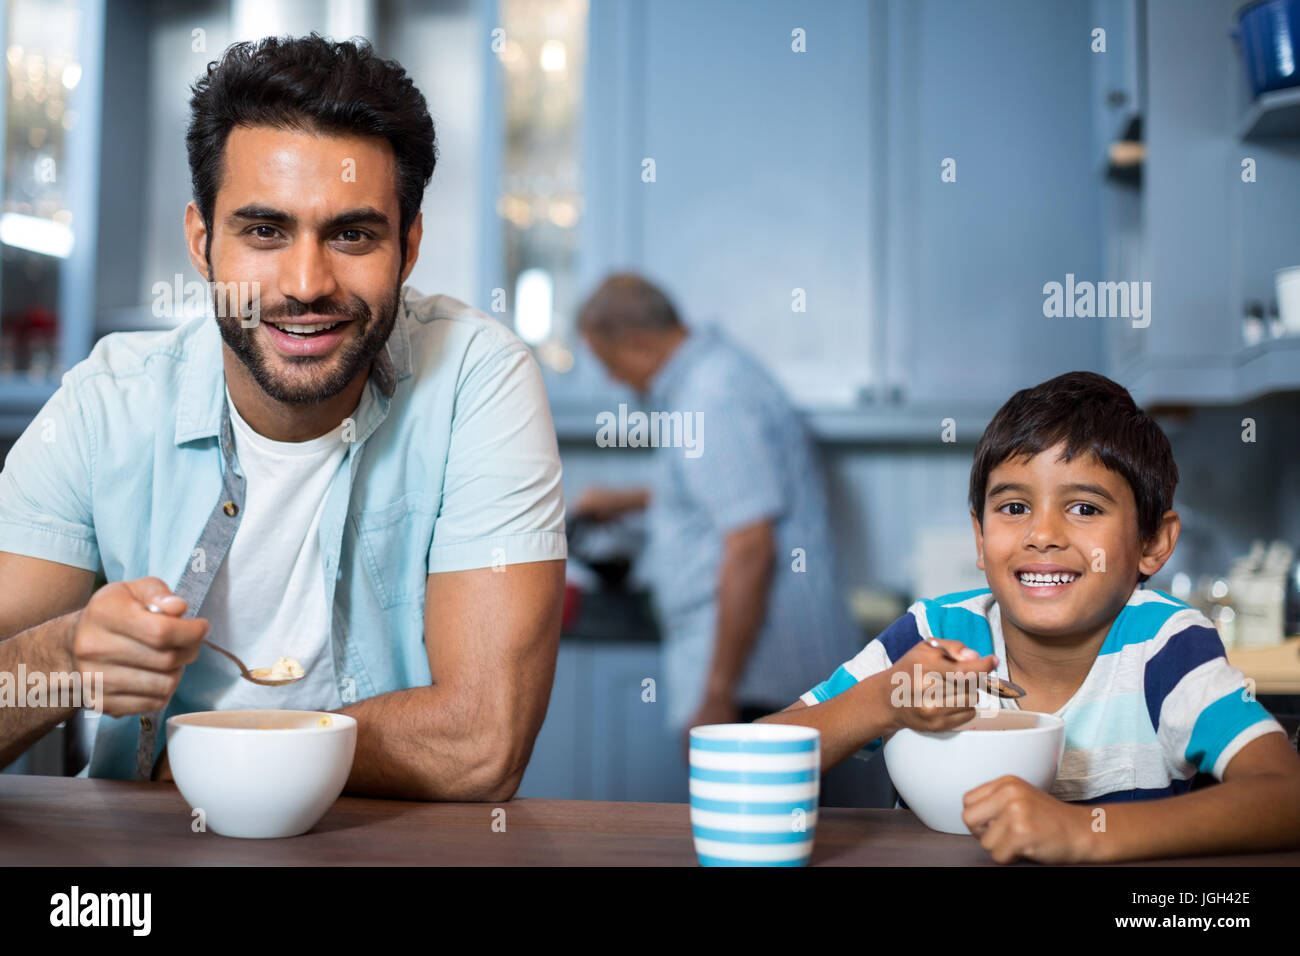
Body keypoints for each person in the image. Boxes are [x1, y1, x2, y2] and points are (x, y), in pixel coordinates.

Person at [0, 35, 566, 799]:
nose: (305, 284)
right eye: (264, 231)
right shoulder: (107, 405)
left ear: (409, 246)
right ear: (203, 243)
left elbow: (480, 742)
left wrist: (202, 763)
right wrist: (64, 658)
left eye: (352, 234)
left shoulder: (477, 379)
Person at [758, 370, 1300, 862]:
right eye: (1014, 508)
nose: (1041, 535)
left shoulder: (1167, 647)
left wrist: (1083, 830)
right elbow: (757, 759)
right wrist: (882, 699)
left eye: (1084, 508)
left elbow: (1285, 796)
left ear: (1153, 543)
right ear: (980, 536)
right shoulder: (934, 632)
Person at [572, 274, 864, 765]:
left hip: (760, 679)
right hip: (765, 672)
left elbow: (751, 545)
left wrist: (716, 692)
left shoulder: (712, 398)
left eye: (608, 362)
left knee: (756, 835)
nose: (612, 379)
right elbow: (721, 496)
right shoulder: (716, 378)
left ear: (640, 342)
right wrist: (626, 500)